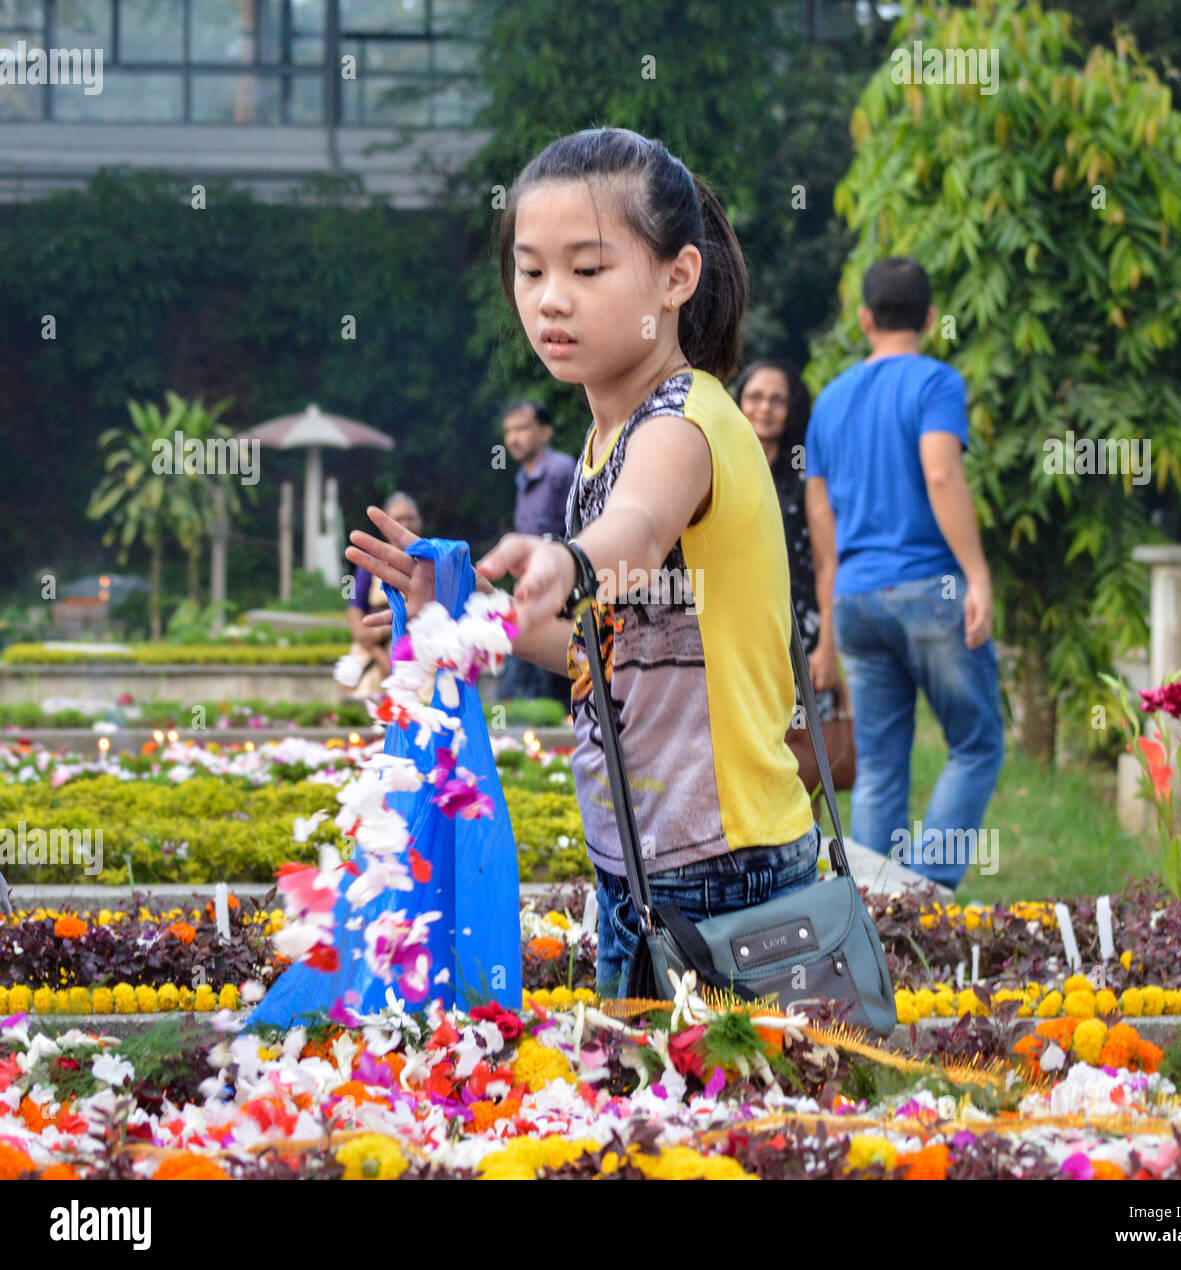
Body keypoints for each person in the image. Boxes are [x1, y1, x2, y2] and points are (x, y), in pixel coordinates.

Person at [347, 126, 820, 999]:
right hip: (638, 869)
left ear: (678, 278)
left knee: (725, 1134)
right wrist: (455, 620)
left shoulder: (686, 424)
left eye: (587, 269)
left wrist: (570, 556)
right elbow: (594, 653)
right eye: (531, 271)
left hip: (723, 874)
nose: (550, 300)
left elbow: (635, 534)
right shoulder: (606, 438)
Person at [805, 257, 1003, 893]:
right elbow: (941, 474)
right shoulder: (935, 383)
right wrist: (977, 574)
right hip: (927, 588)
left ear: (865, 319)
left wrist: (829, 630)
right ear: (927, 317)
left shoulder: (829, 401)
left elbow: (822, 528)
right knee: (976, 744)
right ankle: (923, 890)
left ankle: (872, 907)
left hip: (857, 598)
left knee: (881, 764)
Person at [733, 359, 819, 652]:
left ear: (791, 409)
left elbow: (827, 562)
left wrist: (829, 647)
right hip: (735, 630)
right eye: (755, 397)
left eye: (777, 400)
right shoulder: (720, 471)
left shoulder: (808, 474)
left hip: (800, 628)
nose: (765, 408)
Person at [499, 399, 575, 706]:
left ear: (545, 432)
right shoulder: (521, 478)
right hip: (530, 592)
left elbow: (580, 531)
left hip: (561, 593)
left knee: (551, 688)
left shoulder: (561, 471)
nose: (513, 438)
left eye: (521, 429)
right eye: (508, 431)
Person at [342, 492, 422, 696]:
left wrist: (381, 632)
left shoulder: (429, 560)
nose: (405, 524)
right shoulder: (371, 562)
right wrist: (379, 656)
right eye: (398, 519)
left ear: (419, 520)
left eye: (410, 518)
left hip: (418, 644)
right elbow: (355, 610)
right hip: (372, 649)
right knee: (368, 696)